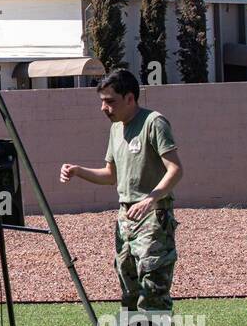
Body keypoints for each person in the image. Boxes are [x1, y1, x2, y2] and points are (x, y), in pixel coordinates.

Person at [60, 68, 183, 311]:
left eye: (110, 101)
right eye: (102, 102)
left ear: (130, 98)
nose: (104, 108)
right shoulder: (116, 128)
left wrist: (151, 199)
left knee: (152, 287)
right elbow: (111, 175)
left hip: (153, 216)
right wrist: (78, 171)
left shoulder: (153, 122)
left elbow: (176, 169)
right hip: (125, 218)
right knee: (128, 288)